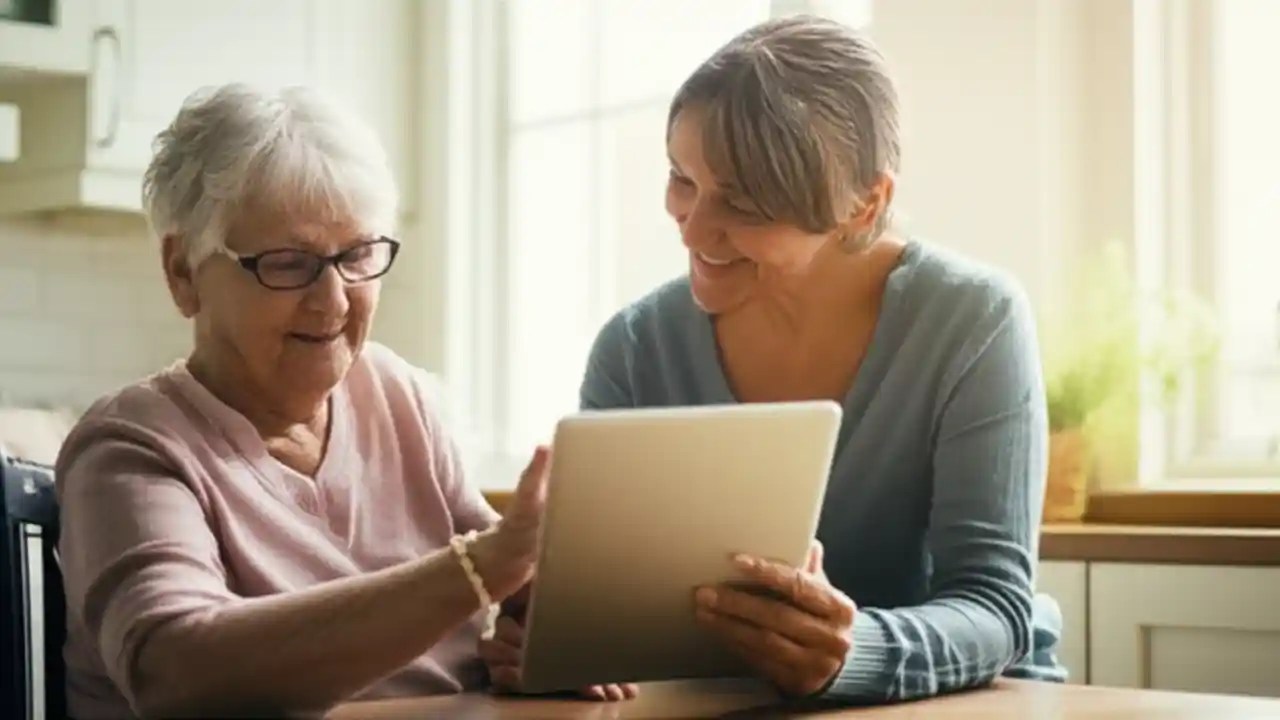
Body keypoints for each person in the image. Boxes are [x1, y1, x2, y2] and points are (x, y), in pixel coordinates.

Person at [488, 14, 1066, 704]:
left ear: (863, 204)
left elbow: (995, 607)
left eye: (745, 203)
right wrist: (555, 643)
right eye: (682, 179)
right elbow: (607, 612)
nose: (693, 228)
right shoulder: (636, 347)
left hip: (963, 705)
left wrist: (852, 653)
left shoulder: (972, 320)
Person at [55, 84, 634, 719]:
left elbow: (516, 582)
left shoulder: (397, 395)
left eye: (357, 255)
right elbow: (174, 669)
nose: (332, 301)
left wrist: (552, 647)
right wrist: (479, 571)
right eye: (287, 263)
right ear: (183, 271)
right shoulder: (131, 447)